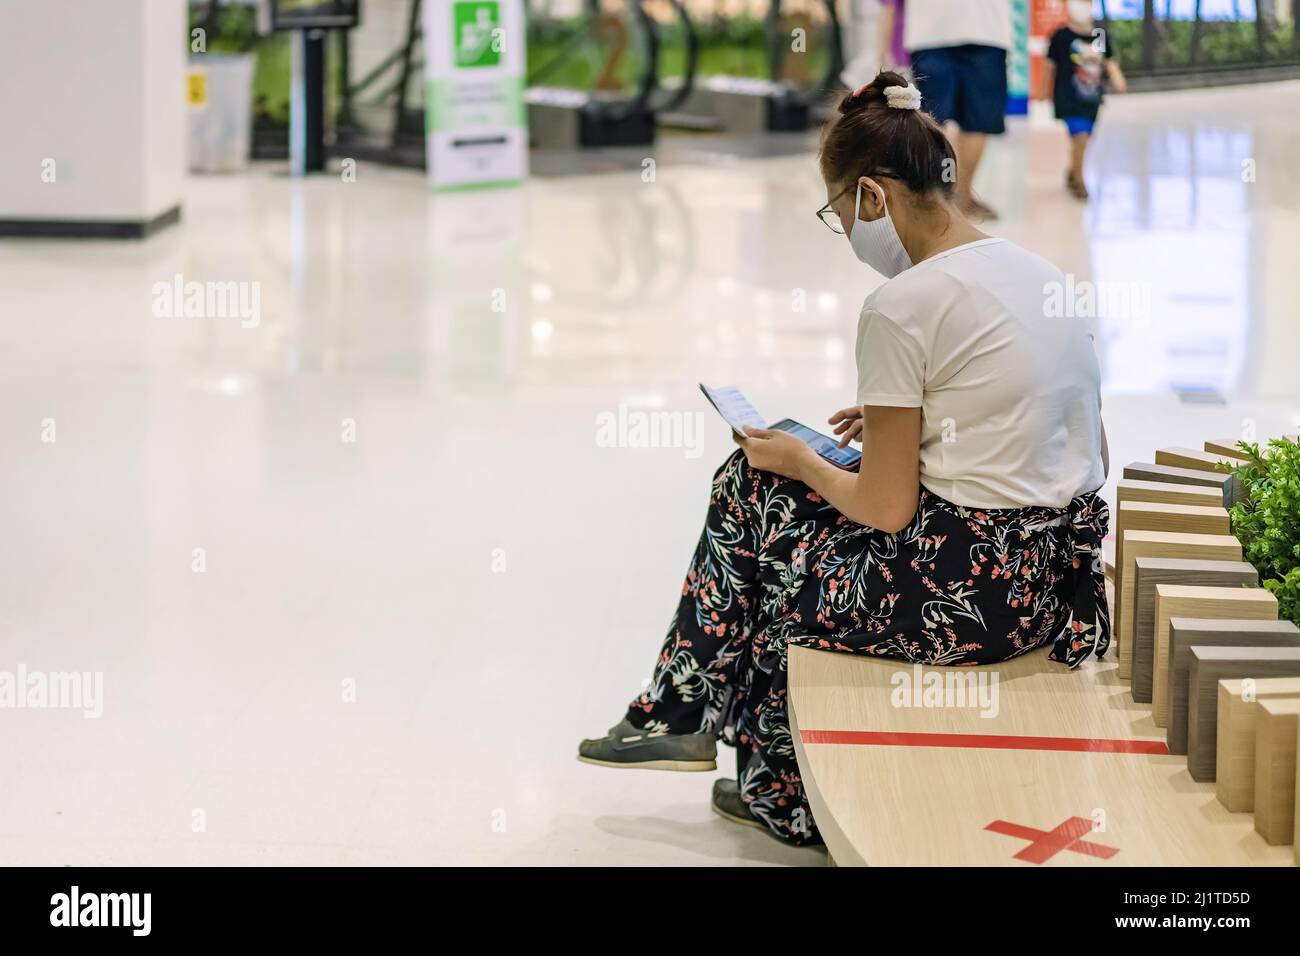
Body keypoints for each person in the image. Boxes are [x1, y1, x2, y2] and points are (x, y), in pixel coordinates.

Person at [577, 71, 1111, 847]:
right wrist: (926, 417)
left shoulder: (902, 305)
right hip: (1056, 585)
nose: (847, 230)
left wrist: (802, 460)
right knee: (765, 488)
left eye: (838, 213)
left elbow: (886, 510)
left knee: (764, 510)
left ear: (871, 196)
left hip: (967, 598)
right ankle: (692, 724)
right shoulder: (1038, 272)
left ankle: (730, 753)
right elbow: (1076, 436)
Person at [903, 0, 1011, 221]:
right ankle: (958, 197)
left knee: (933, 121)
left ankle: (940, 198)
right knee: (969, 121)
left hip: (934, 29)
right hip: (984, 28)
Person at [1045, 1, 1127, 200]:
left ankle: (1073, 170)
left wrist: (1118, 78)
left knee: (1083, 139)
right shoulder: (1062, 36)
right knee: (1079, 135)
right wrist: (1044, 92)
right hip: (1068, 96)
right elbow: (1051, 67)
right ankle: (1080, 181)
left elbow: (1106, 60)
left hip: (1091, 98)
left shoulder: (1098, 35)